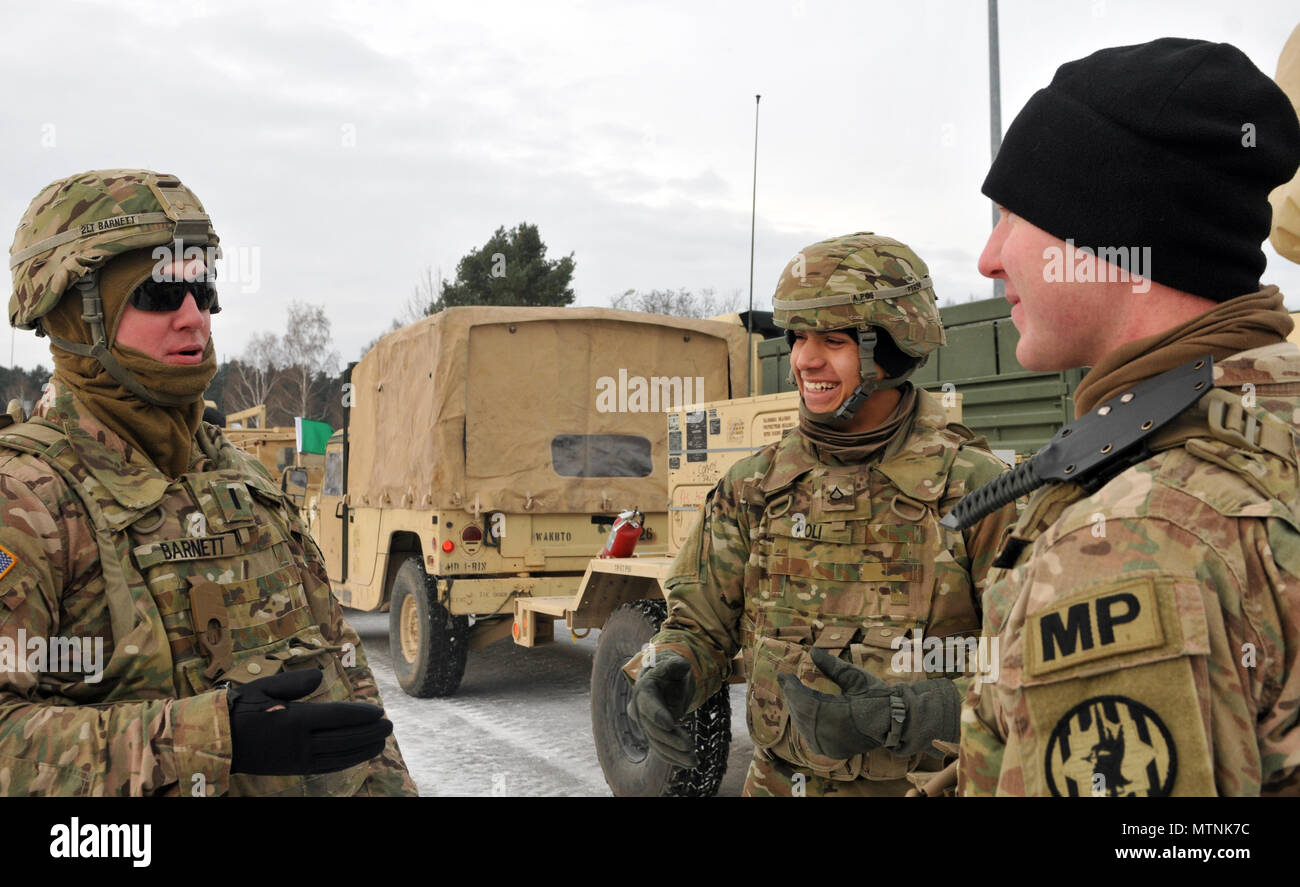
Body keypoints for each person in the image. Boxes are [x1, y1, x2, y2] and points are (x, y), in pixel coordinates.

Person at [950, 38, 1300, 796]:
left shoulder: (1131, 541)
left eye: (1011, 214)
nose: (988, 256)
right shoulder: (1274, 418)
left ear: (1111, 228)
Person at [0, 169, 417, 796]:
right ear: (75, 314)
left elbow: (344, 672)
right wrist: (206, 741)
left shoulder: (243, 479)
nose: (195, 318)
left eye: (204, 290)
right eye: (159, 294)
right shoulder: (27, 500)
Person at [623, 232, 1018, 796]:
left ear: (892, 347)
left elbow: (1038, 667)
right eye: (799, 338)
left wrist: (913, 711)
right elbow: (699, 624)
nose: (805, 360)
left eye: (833, 340)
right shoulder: (754, 484)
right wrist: (670, 668)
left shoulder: (976, 489)